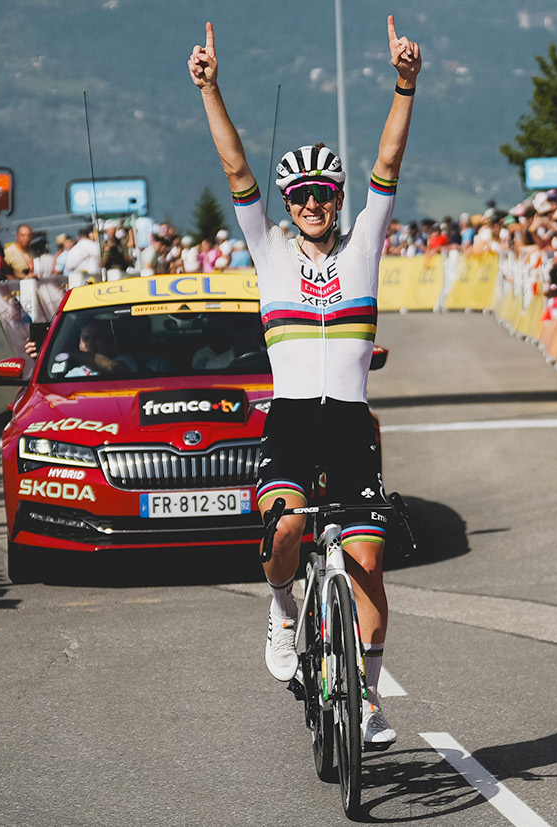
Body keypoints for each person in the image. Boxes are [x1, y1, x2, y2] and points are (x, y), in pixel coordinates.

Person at [191, 15, 420, 748]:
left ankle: (372, 700)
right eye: (301, 196)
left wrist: (405, 86)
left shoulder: (365, 246)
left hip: (350, 423)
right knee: (286, 526)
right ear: (288, 205)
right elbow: (235, 172)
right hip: (290, 420)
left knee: (369, 560)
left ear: (338, 197)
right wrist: (211, 89)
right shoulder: (268, 251)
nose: (313, 204)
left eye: (324, 193)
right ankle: (284, 608)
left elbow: (389, 159)